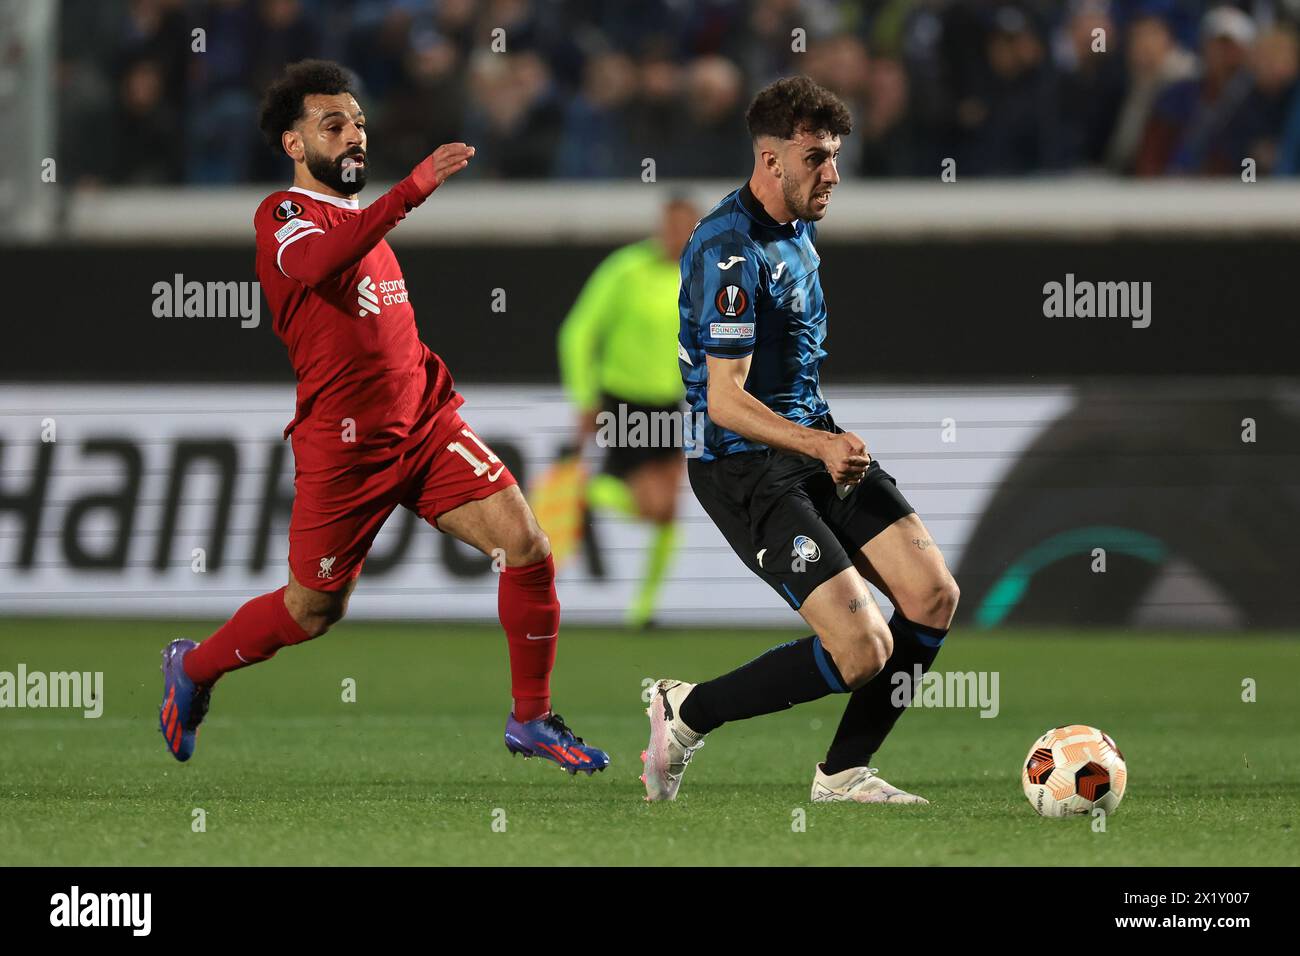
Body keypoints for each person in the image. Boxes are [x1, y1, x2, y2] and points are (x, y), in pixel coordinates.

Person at [157, 59, 608, 775]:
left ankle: (530, 719)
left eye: (359, 122)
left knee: (526, 547)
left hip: (425, 426)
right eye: (332, 125)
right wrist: (413, 189)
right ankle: (195, 667)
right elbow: (316, 267)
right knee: (312, 611)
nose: (354, 136)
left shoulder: (364, 224)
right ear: (295, 146)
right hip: (346, 449)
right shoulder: (284, 216)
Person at [643, 76, 959, 804]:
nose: (833, 173)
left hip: (812, 441)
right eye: (816, 156)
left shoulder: (797, 228)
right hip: (745, 466)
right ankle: (687, 711)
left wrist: (821, 441)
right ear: (770, 158)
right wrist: (817, 446)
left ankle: (843, 774)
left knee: (932, 595)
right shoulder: (728, 250)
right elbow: (724, 402)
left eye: (835, 155)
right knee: (862, 649)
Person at [557, 196, 699, 628]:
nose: (679, 235)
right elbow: (577, 332)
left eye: (688, 228)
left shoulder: (702, 276)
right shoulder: (625, 269)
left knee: (670, 510)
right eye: (672, 226)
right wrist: (585, 398)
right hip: (625, 400)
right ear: (661, 226)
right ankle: (588, 491)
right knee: (656, 507)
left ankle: (643, 611)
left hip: (670, 404)